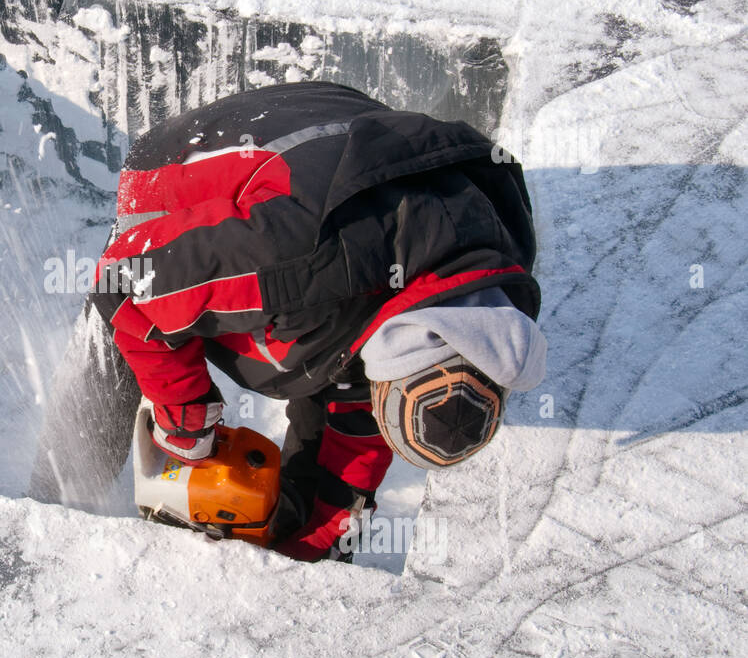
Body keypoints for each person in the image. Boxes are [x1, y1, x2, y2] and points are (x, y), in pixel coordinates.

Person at [86, 80, 546, 561]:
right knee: (141, 319)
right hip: (178, 167)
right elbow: (122, 281)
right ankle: (63, 491)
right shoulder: (295, 260)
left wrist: (310, 550)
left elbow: (356, 434)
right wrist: (184, 413)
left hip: (327, 117)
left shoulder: (494, 284)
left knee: (333, 369)